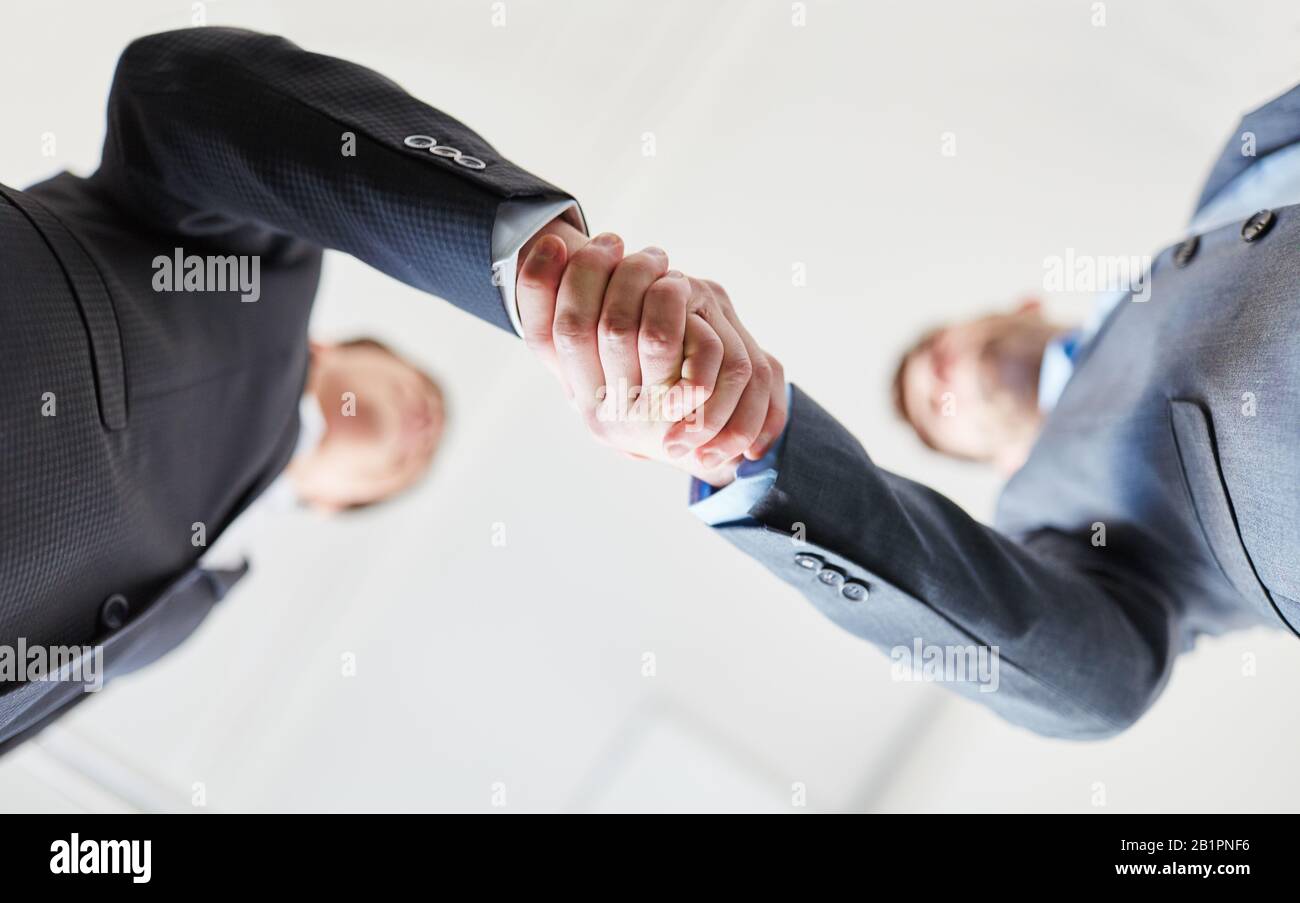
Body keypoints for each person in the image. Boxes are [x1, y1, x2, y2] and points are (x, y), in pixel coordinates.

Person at [0, 27, 781, 750]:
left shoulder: (197, 603)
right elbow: (174, 94)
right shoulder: (263, 269)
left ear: (337, 504)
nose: (425, 427)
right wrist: (535, 270)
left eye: (414, 463)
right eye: (423, 395)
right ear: (330, 344)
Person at [512, 84, 1300, 739]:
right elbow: (1089, 678)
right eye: (938, 407)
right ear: (1004, 462)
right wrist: (749, 450)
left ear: (1020, 304)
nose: (941, 375)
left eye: (939, 352)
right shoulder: (1057, 515)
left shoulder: (1231, 185)